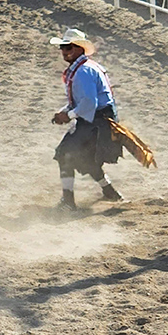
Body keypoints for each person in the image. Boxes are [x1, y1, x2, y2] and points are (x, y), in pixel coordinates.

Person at [50, 28, 124, 210]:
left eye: (68, 47)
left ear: (78, 49)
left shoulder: (82, 71)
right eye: (62, 47)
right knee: (86, 158)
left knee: (65, 154)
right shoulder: (87, 68)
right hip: (99, 120)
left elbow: (89, 102)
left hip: (96, 121)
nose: (64, 51)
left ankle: (68, 202)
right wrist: (65, 112)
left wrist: (68, 115)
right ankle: (110, 192)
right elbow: (84, 101)